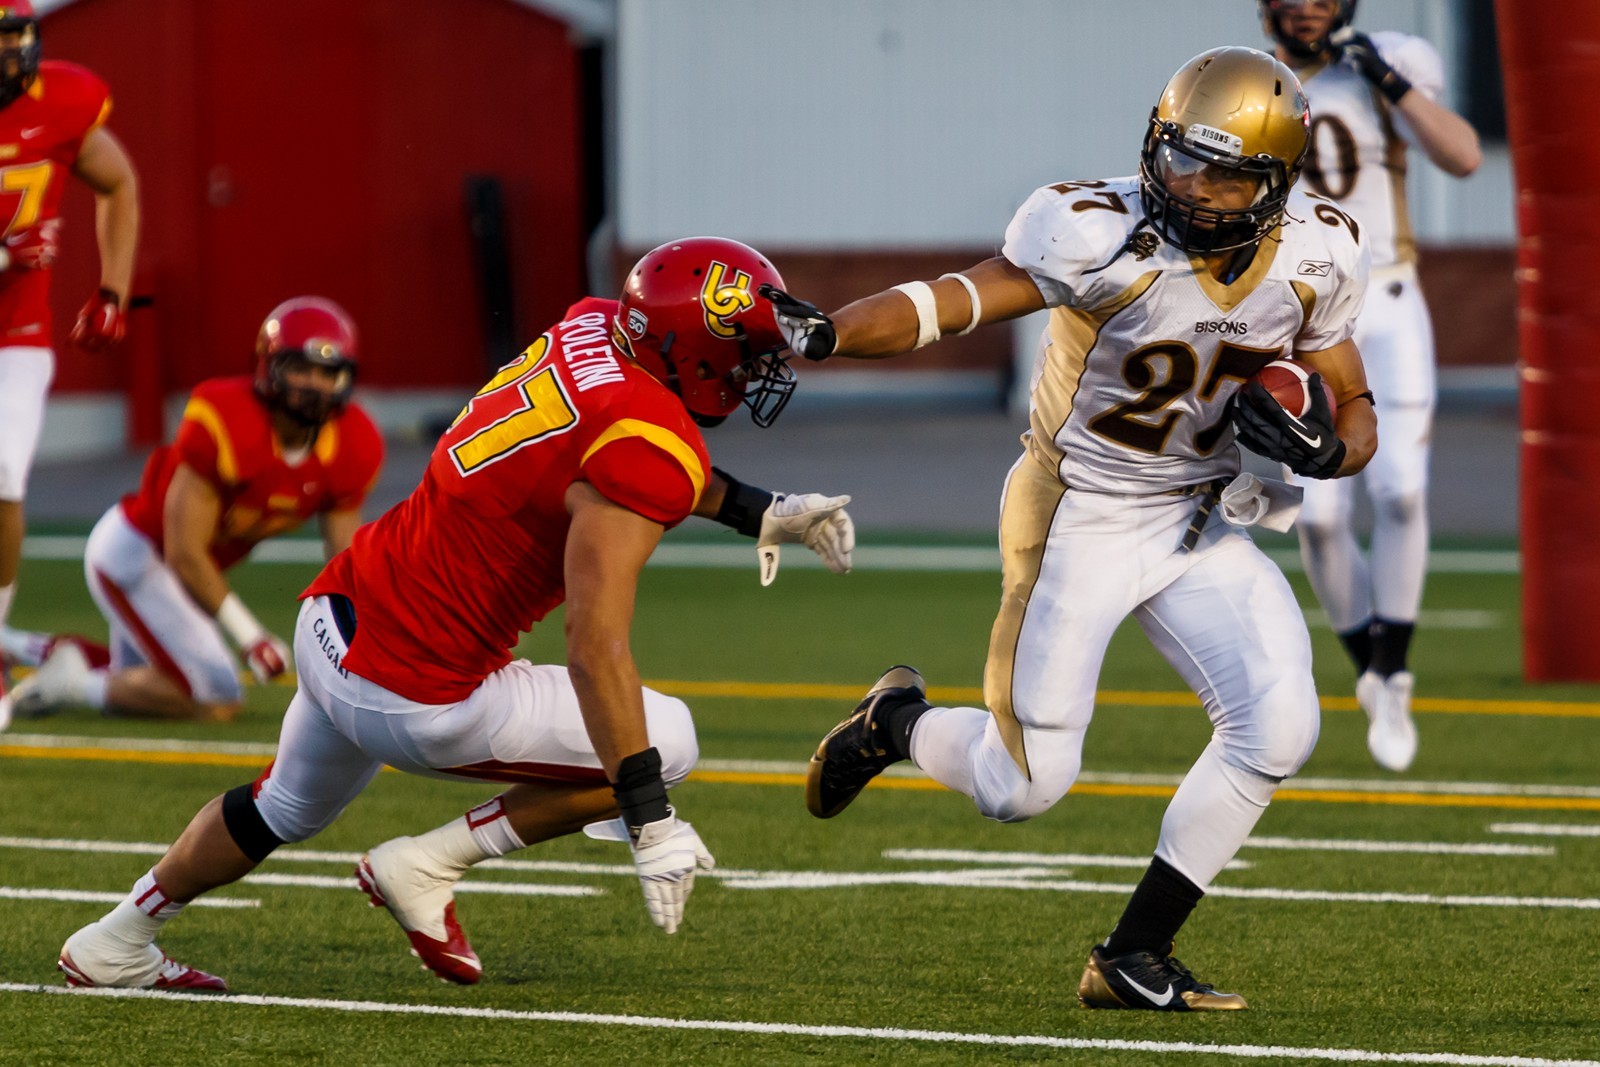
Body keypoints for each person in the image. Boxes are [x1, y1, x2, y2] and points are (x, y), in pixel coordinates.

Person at [53, 236, 856, 991]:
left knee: (280, 808)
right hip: (416, 690)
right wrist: (648, 816)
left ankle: (116, 936)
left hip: (335, 616)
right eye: (745, 357)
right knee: (664, 740)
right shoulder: (648, 444)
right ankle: (429, 861)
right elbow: (595, 643)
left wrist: (763, 509)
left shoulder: (590, 328)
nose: (753, 375)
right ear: (694, 349)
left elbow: (615, 447)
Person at [772, 47, 1376, 1011]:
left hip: (1196, 515)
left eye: (1225, 174)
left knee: (1280, 723)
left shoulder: (1319, 252)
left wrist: (1320, 451)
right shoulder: (1093, 232)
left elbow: (1354, 410)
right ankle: (898, 720)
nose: (1193, 188)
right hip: (1079, 513)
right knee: (1022, 786)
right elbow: (952, 302)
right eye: (1182, 159)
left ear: (1278, 183)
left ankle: (1132, 955)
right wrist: (831, 332)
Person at [1258, 0, 1482, 772]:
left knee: (1401, 493)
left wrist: (1383, 76)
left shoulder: (1390, 58)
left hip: (1385, 303)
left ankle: (1396, 669)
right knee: (1317, 520)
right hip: (1299, 313)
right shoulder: (1253, 79)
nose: (1307, 8)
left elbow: (1462, 156)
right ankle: (1371, 668)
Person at [0, 296, 383, 726]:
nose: (314, 384)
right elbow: (183, 551)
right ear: (269, 366)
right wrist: (250, 636)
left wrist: (367, 638)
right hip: (138, 553)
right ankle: (68, 686)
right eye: (301, 368)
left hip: (182, 572)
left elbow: (345, 561)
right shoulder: (227, 419)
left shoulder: (354, 444)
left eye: (327, 373)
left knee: (152, 678)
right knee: (214, 695)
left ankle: (24, 649)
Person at [0, 0, 141, 695]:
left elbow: (118, 182)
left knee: (2, 472)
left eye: (16, 38)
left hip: (14, 334)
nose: (8, 55)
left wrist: (113, 291)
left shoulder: (63, 100)